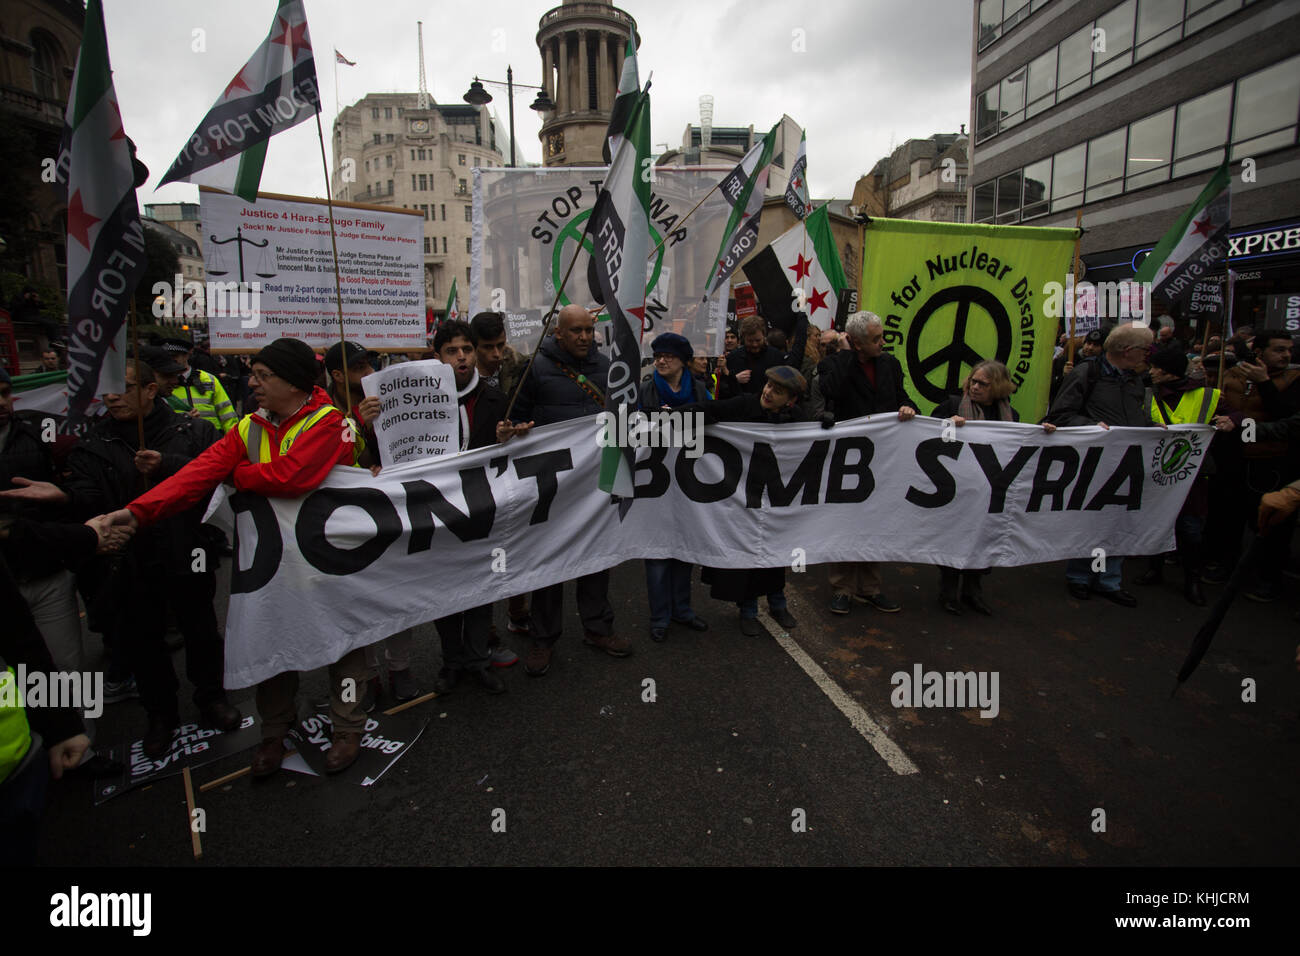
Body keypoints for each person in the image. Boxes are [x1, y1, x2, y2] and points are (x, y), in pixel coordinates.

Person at [91, 338, 371, 777]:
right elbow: (197, 474)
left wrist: (236, 476)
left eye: (263, 377)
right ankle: (274, 732)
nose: (252, 384)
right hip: (273, 567)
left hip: (331, 563)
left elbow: (292, 477)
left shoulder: (333, 423)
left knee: (345, 643)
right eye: (254, 375)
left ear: (295, 382)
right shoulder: (248, 427)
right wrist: (136, 513)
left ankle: (349, 728)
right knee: (273, 641)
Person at [511, 304, 631, 675]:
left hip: (594, 485)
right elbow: (515, 417)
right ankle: (543, 639)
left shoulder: (608, 366)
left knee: (596, 558)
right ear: (558, 333)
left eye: (588, 330)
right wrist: (515, 429)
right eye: (575, 331)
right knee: (551, 562)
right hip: (552, 485)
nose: (583, 337)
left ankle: (598, 629)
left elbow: (623, 415)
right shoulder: (535, 368)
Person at [428, 320, 533, 693]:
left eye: (466, 350)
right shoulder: (418, 399)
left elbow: (502, 451)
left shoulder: (492, 399)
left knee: (479, 588)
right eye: (452, 351)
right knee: (443, 592)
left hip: (480, 508)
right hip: (436, 513)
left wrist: (507, 438)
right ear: (436, 356)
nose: (462, 357)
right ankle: (451, 662)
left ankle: (476, 659)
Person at [679, 366, 810, 635]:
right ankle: (748, 609)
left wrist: (826, 425)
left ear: (791, 400)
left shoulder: (796, 417)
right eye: (768, 385)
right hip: (742, 496)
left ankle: (778, 603)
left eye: (778, 391)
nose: (769, 392)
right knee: (747, 551)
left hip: (775, 496)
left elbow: (812, 438)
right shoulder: (744, 405)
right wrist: (670, 416)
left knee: (778, 551)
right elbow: (710, 410)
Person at [931, 361, 1056, 614]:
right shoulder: (953, 406)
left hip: (991, 490)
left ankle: (972, 591)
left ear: (998, 387)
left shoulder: (1011, 416)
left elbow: (1019, 443)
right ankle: (948, 591)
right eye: (973, 382)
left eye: (983, 384)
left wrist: (1044, 433)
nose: (975, 387)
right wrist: (947, 425)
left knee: (983, 538)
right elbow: (927, 437)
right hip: (960, 488)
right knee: (955, 537)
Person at [810, 311, 914, 615]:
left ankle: (870, 587)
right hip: (848, 458)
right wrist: (846, 357)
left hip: (882, 457)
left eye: (881, 336)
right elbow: (830, 391)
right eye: (875, 339)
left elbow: (902, 397)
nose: (882, 342)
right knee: (846, 521)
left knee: (875, 521)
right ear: (856, 343)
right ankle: (842, 588)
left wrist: (909, 407)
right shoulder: (834, 364)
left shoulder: (890, 365)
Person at [1046, 322, 1156, 606]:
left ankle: (1109, 580)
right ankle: (1080, 577)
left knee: (1118, 522)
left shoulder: (1134, 380)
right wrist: (1092, 426)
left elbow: (1134, 416)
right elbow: (1060, 415)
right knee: (1091, 521)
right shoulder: (1087, 373)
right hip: (1095, 463)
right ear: (1128, 350)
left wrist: (1154, 428)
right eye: (1146, 349)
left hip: (1128, 462)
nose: (1149, 355)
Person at [1205, 330, 1300, 601]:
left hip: (1269, 461)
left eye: (1288, 350)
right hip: (1233, 458)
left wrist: (1265, 384)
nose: (1285, 355)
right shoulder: (1232, 375)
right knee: (1228, 517)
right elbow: (1220, 406)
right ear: (1259, 352)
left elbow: (1288, 419)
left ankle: (1268, 578)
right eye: (1278, 349)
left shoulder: (1293, 380)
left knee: (1270, 523)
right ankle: (1226, 566)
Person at [1135, 346, 1233, 606]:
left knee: (1190, 529)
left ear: (1169, 373)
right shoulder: (1146, 394)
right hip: (1155, 472)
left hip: (1192, 475)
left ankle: (1193, 579)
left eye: (1156, 368)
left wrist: (1231, 421)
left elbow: (1239, 418)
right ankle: (1155, 568)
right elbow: (1134, 421)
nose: (1151, 371)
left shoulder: (1209, 396)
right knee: (1155, 523)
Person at [638, 332, 710, 642]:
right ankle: (660, 617)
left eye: (669, 356)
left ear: (683, 361)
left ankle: (682, 610)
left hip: (688, 481)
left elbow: (716, 424)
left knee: (683, 548)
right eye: (658, 356)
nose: (662, 360)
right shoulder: (646, 390)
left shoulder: (701, 391)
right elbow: (629, 429)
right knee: (657, 554)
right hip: (655, 484)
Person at [468, 310, 530, 650]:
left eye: (501, 346)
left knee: (517, 543)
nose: (496, 354)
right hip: (478, 478)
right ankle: (484, 627)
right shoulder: (459, 378)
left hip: (511, 474)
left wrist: (522, 425)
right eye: (488, 348)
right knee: (483, 553)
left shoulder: (516, 365)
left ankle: (518, 610)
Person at [161, 338, 237, 434]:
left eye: (175, 356)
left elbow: (226, 411)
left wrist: (233, 439)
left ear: (186, 356)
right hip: (181, 439)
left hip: (213, 438)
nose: (172, 360)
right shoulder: (164, 383)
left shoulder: (209, 379)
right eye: (168, 357)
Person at [721, 315, 785, 399]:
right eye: (750, 341)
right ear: (743, 338)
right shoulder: (733, 358)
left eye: (758, 340)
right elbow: (722, 389)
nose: (754, 344)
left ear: (764, 336)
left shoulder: (776, 357)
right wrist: (734, 379)